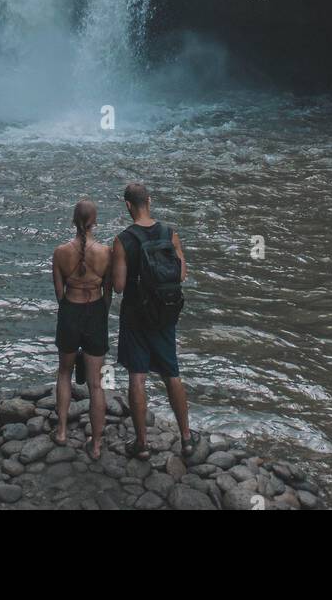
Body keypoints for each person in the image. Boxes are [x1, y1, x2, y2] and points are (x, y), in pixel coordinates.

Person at [112, 181, 198, 461]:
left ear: (127, 206)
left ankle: (142, 444)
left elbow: (119, 287)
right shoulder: (170, 233)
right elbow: (182, 274)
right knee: (171, 373)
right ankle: (186, 438)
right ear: (149, 200)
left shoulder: (123, 240)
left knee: (137, 376)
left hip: (136, 314)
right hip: (165, 313)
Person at [52, 198, 112, 458]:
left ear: (73, 221)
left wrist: (70, 307)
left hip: (70, 312)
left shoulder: (60, 252)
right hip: (95, 313)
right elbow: (108, 293)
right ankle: (96, 445)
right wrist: (100, 312)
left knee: (64, 372)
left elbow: (59, 293)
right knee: (96, 383)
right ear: (95, 222)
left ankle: (62, 430)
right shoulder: (106, 252)